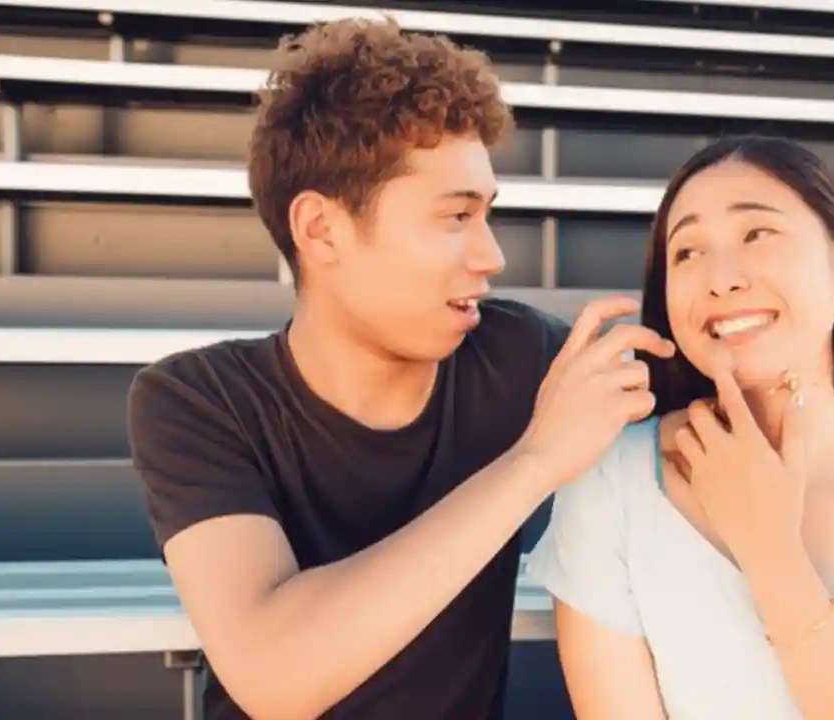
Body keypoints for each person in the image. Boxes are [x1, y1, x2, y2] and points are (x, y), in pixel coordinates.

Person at [125, 18, 674, 720]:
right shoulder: (199, 401)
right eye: (455, 218)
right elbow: (274, 673)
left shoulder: (519, 356)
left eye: (487, 215)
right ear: (321, 230)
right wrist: (535, 462)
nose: (492, 257)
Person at [527, 135, 834, 719]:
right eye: (687, 253)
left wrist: (771, 554)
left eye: (757, 234)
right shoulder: (610, 476)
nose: (720, 278)